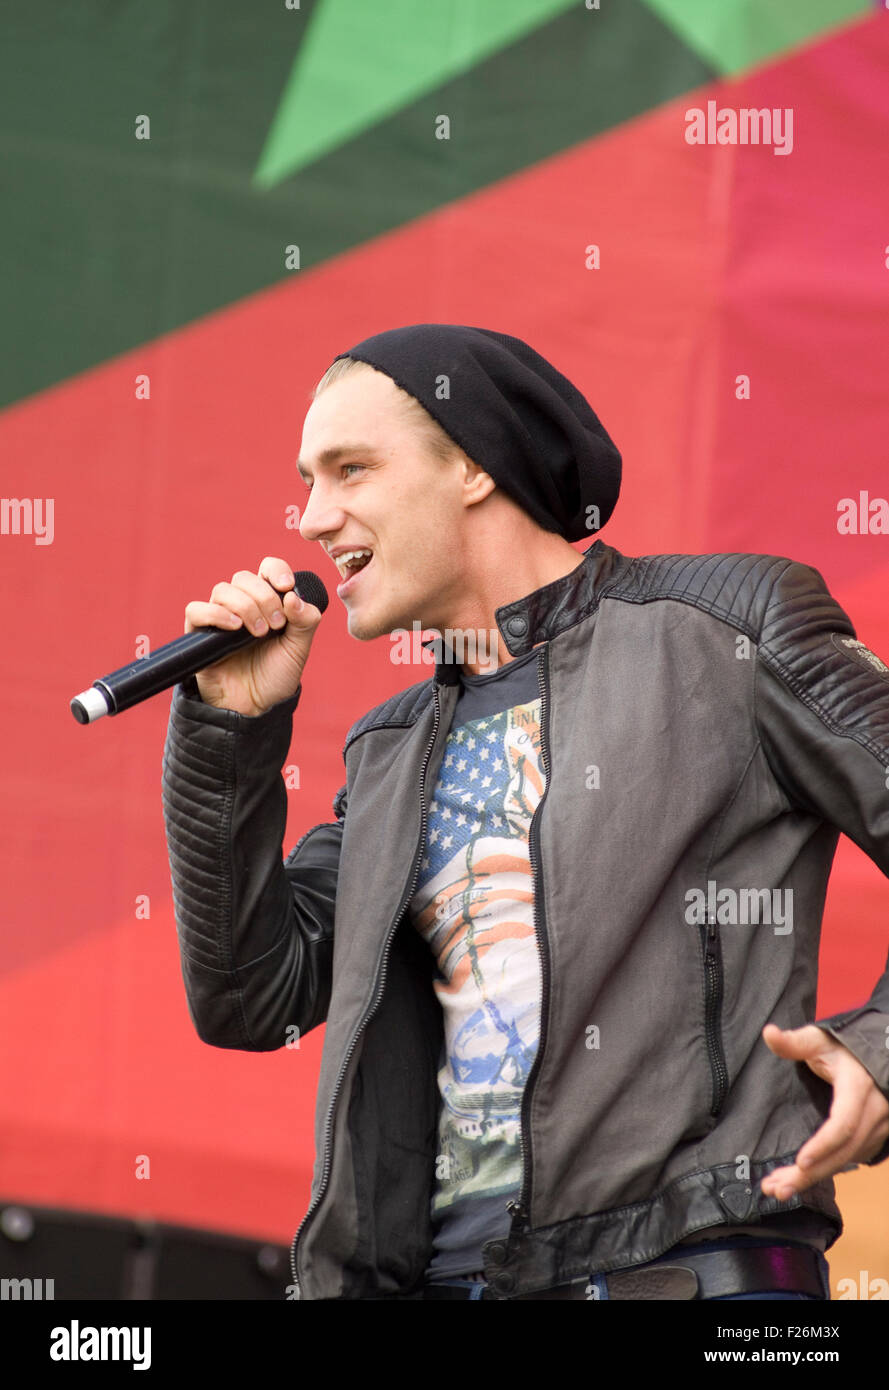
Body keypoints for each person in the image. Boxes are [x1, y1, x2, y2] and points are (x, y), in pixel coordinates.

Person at [161, 323, 889, 1301]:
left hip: (686, 1269)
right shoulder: (389, 749)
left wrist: (879, 1051)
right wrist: (230, 734)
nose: (311, 516)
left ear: (469, 466)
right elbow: (250, 994)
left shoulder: (724, 629)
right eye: (306, 480)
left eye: (349, 469)